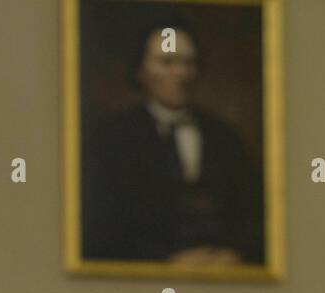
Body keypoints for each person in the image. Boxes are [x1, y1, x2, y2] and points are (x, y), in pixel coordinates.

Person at [82, 19, 263, 264]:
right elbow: (100, 228)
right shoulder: (111, 138)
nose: (181, 73)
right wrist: (166, 263)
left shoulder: (225, 137)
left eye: (188, 63)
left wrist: (233, 254)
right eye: (166, 62)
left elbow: (254, 215)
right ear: (141, 69)